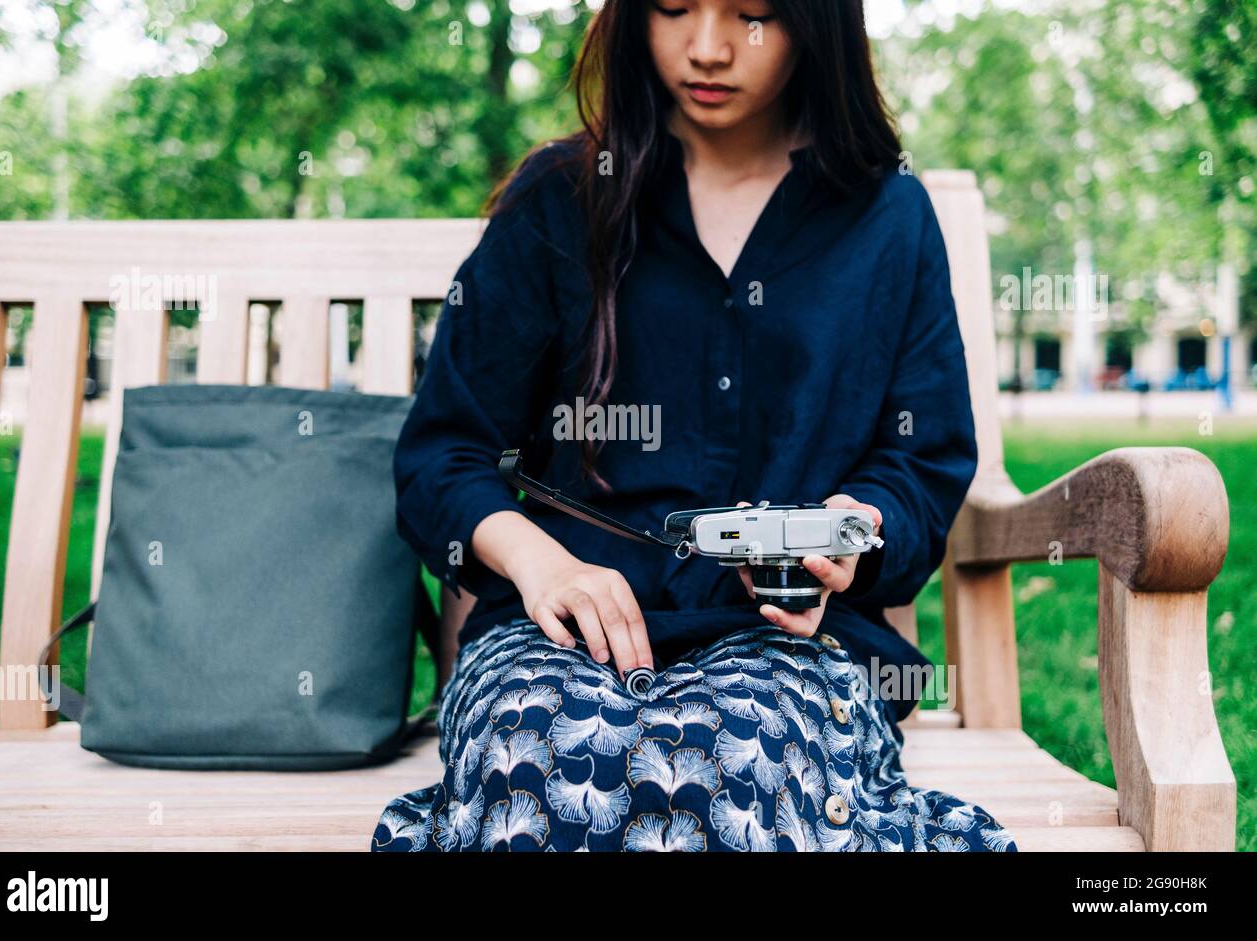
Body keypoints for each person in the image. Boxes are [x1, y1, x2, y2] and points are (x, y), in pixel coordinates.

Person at [372, 0, 1017, 852]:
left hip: (786, 645)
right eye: (673, 8)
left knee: (725, 770)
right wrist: (542, 564)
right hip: (551, 643)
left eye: (751, 15)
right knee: (551, 764)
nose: (707, 49)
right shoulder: (556, 204)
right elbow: (443, 454)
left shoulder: (887, 218)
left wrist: (845, 535)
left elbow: (922, 460)